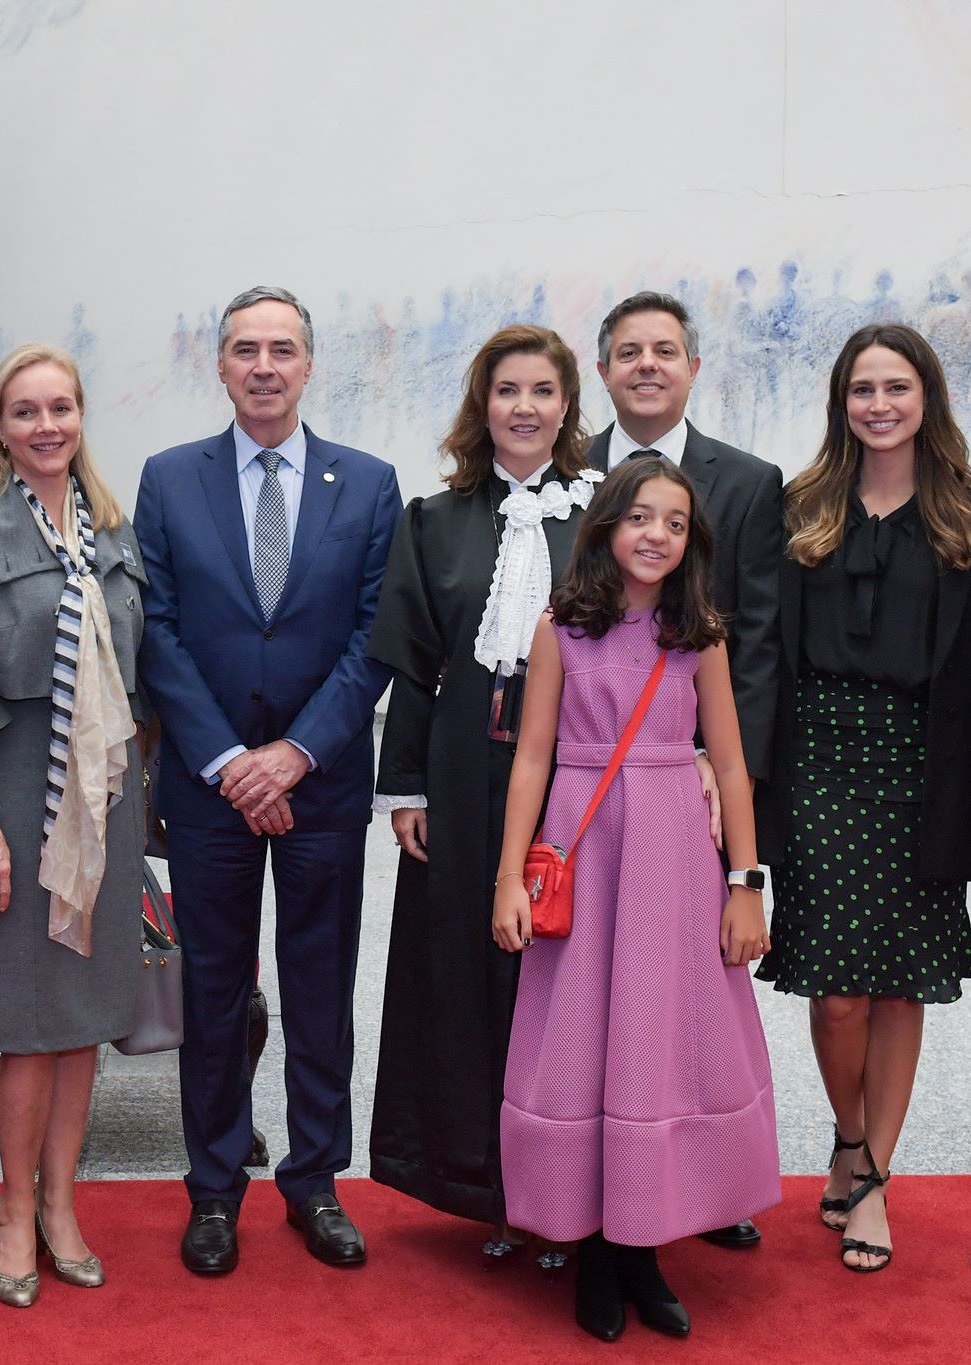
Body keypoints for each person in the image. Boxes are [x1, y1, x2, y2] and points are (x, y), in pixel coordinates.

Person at [136, 285, 400, 1275]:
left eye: (280, 349)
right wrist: (226, 761)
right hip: (207, 786)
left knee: (319, 988)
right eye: (243, 348)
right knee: (211, 990)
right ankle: (212, 1190)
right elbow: (154, 632)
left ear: (307, 363)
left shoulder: (366, 485)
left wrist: (294, 754)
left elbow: (377, 634)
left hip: (321, 781)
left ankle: (315, 1182)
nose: (261, 365)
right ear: (218, 365)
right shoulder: (169, 480)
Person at [494, 455, 779, 1342]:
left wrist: (746, 885)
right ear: (607, 526)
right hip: (584, 844)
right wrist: (509, 876)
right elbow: (532, 757)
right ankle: (589, 1249)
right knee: (579, 1035)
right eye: (641, 517)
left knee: (659, 1038)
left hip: (670, 856)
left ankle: (643, 1245)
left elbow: (729, 764)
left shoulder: (701, 636)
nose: (657, 534)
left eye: (677, 522)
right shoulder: (560, 630)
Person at [755, 324, 971, 1272]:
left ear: (926, 396)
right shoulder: (802, 504)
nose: (880, 403)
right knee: (838, 989)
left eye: (897, 386)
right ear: (840, 402)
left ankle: (876, 1176)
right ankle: (846, 1132)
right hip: (817, 757)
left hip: (922, 762)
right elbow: (762, 645)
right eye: (863, 388)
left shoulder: (969, 511)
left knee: (899, 983)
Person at [366, 325, 602, 1255]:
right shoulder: (435, 518)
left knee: (562, 974)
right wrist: (407, 788)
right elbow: (414, 666)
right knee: (466, 967)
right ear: (483, 404)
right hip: (463, 768)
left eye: (543, 391)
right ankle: (486, 1185)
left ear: (567, 407)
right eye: (508, 390)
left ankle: (571, 1191)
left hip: (573, 766)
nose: (525, 407)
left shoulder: (603, 512)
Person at [0, 343, 146, 1307]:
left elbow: (140, 676)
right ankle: (14, 1210)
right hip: (14, 799)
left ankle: (63, 1204)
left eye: (61, 407)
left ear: (82, 416)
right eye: (24, 411)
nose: (45, 425)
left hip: (107, 804)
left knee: (83, 1021)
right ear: (0, 427)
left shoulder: (114, 529)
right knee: (26, 1022)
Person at [587, 291, 784, 1250]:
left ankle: (701, 1181)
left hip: (686, 779)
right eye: (629, 351)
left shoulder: (747, 481)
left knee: (689, 996)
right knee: (595, 995)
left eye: (666, 350)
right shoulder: (566, 471)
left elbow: (752, 637)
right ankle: (597, 1181)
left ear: (694, 368)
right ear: (606, 370)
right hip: (587, 793)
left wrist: (713, 753)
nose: (648, 365)